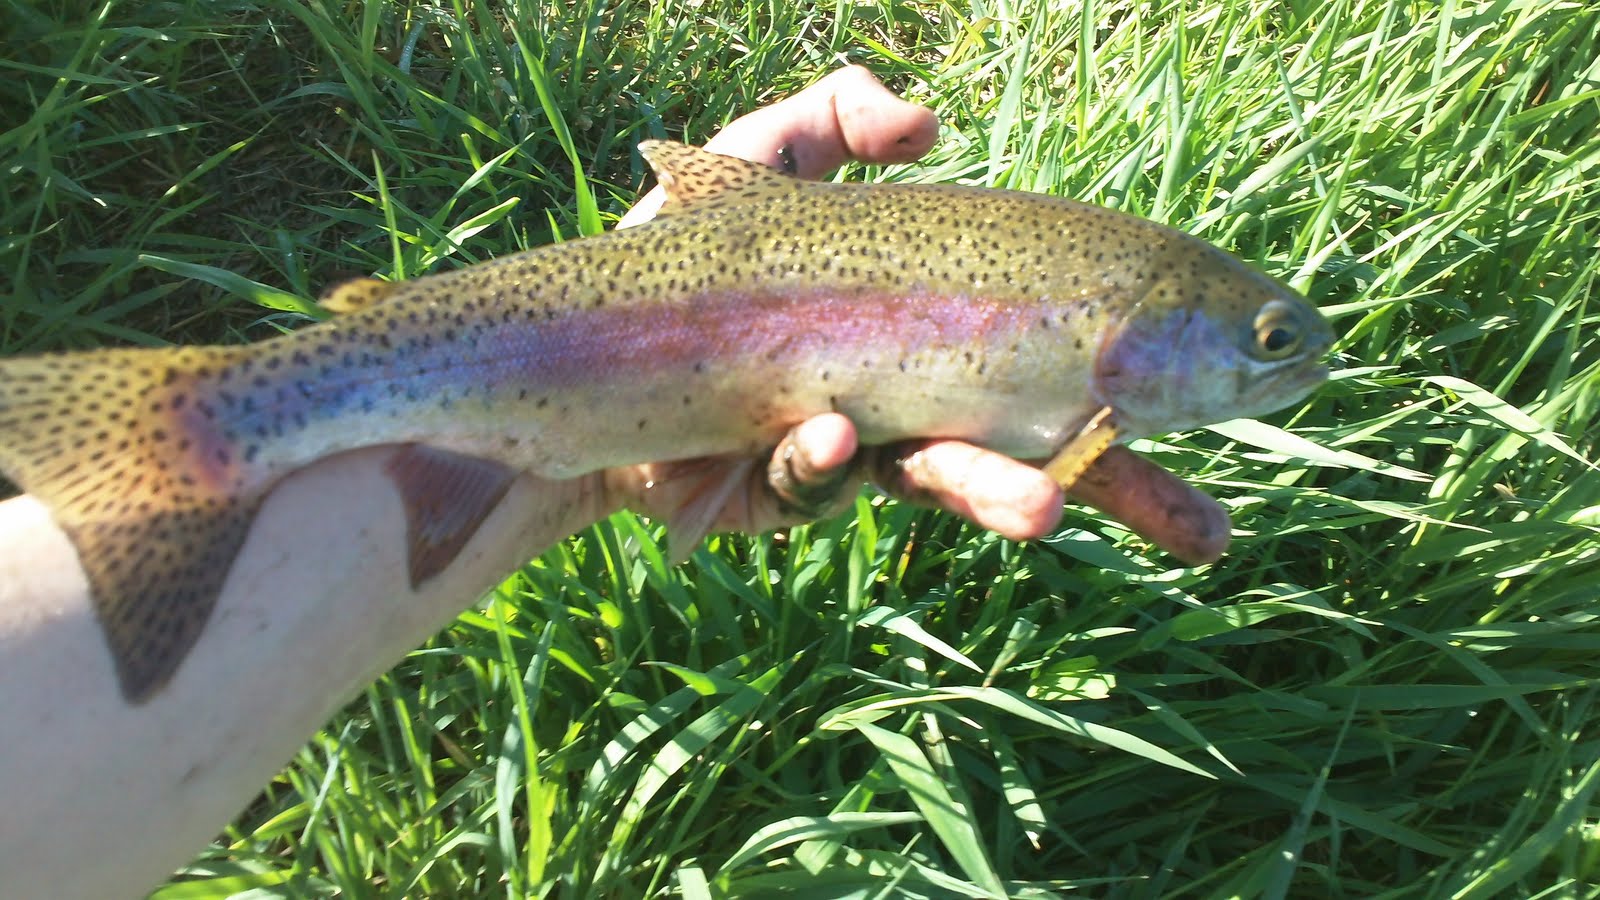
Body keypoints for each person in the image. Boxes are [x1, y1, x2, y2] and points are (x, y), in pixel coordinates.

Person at [0, 66, 1228, 897]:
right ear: (1147, 337)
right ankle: (194, 428)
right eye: (1268, 343)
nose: (1283, 363)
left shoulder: (1096, 351)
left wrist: (550, 470)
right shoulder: (1096, 343)